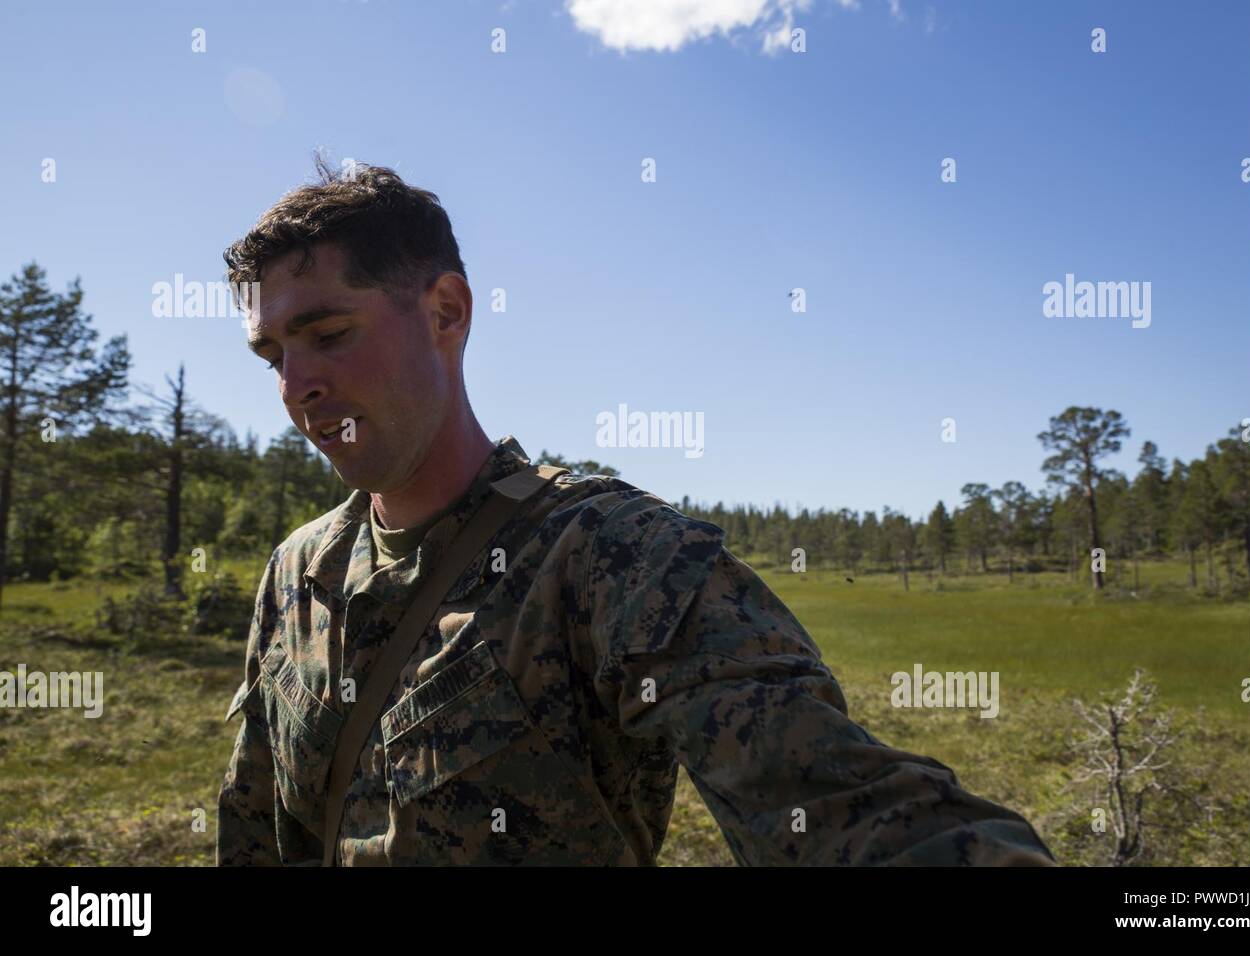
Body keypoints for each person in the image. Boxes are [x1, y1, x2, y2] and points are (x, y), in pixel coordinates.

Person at [215, 160, 1057, 866]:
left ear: (446, 312)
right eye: (273, 356)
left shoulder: (608, 554)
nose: (295, 387)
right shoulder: (300, 571)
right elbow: (253, 823)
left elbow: (843, 805)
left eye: (327, 334)